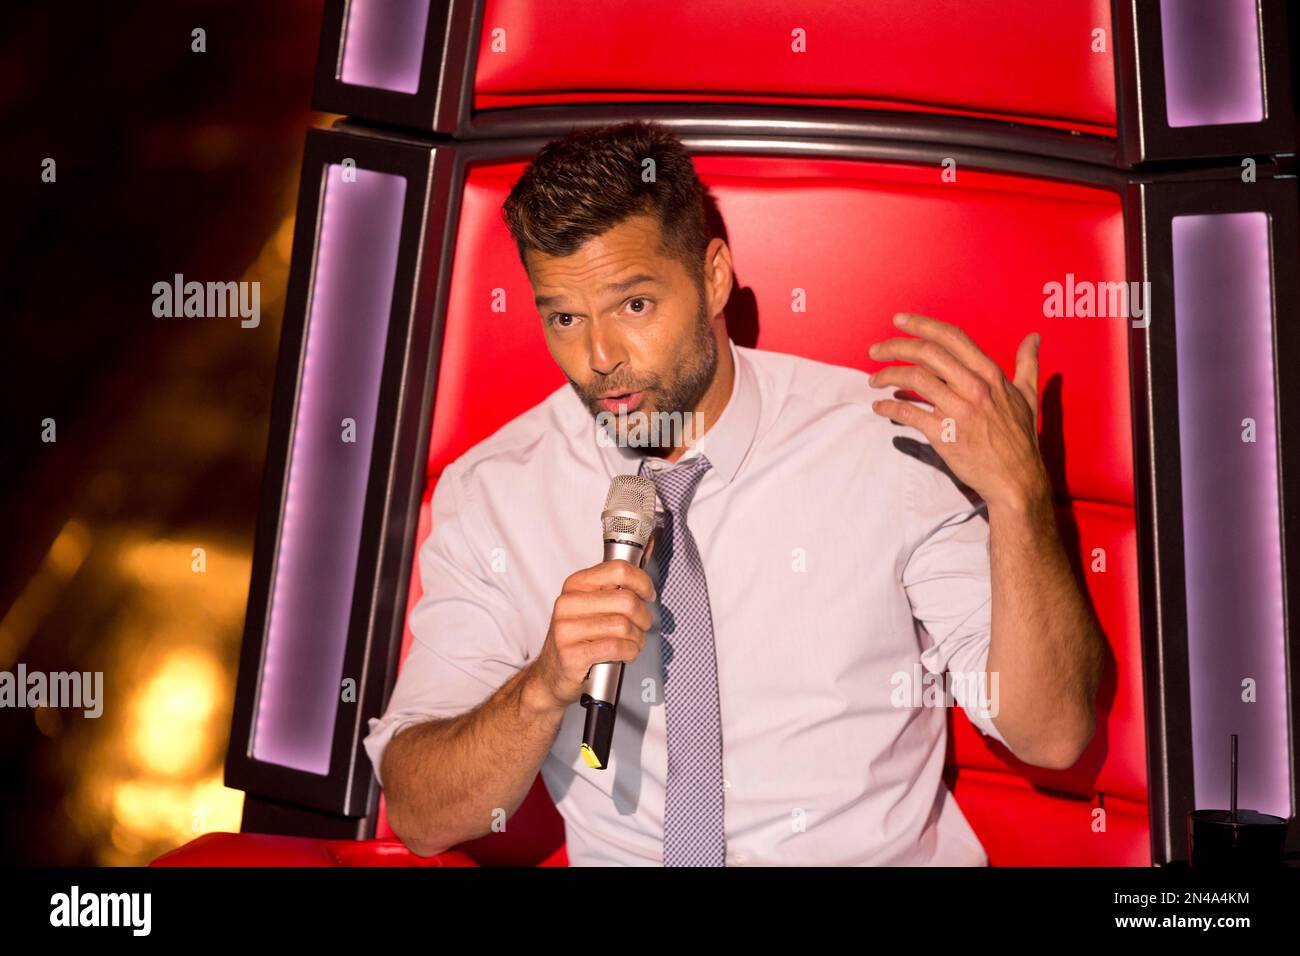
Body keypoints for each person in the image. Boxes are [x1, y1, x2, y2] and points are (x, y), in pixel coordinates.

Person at [363, 120, 1105, 866]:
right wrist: (542, 686)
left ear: (713, 276)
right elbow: (423, 816)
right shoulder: (496, 493)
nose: (599, 358)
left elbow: (1051, 731)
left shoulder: (885, 446)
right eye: (564, 317)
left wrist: (1018, 499)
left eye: (634, 306)